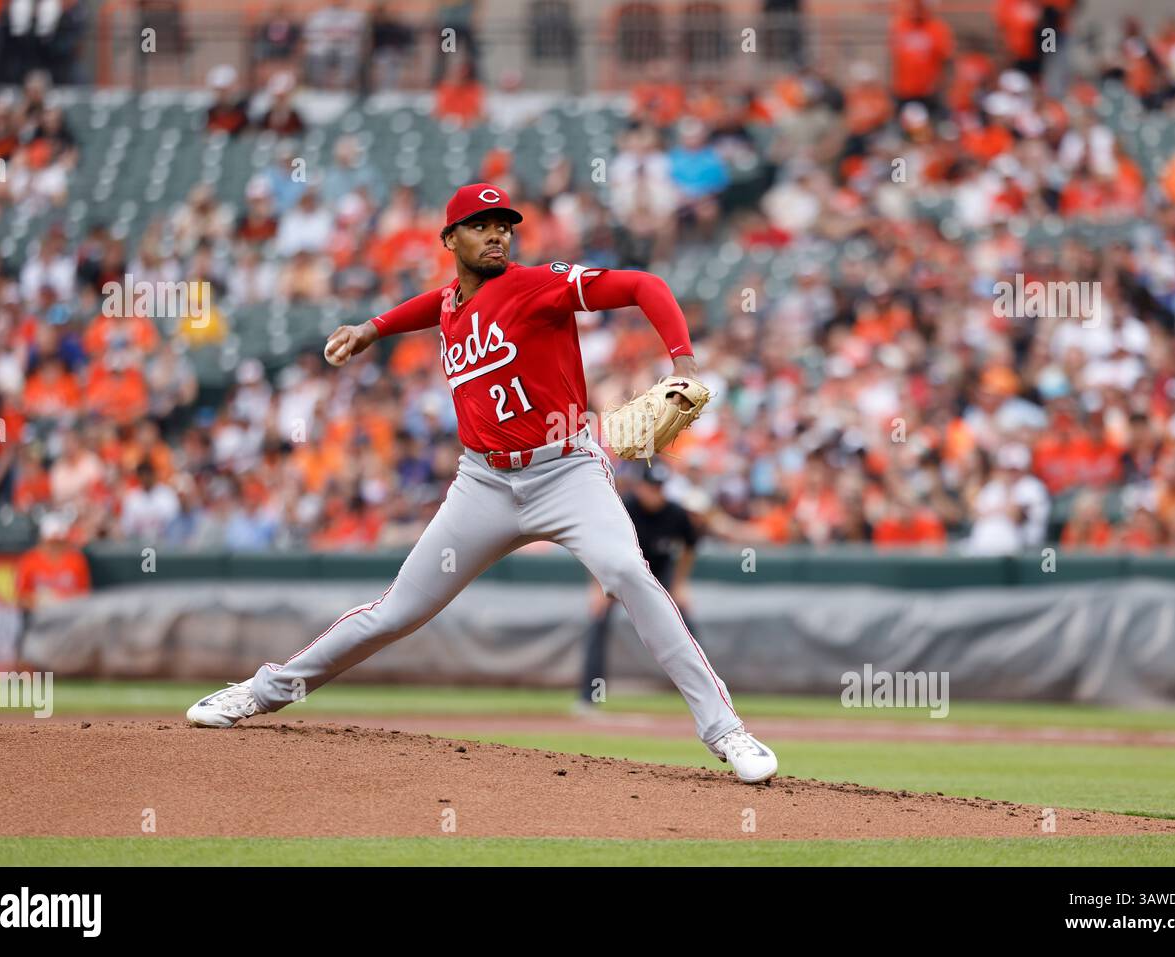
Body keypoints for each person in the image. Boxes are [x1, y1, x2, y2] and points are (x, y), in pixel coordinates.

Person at [186, 182, 779, 784]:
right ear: (450, 239)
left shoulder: (536, 284)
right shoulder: (451, 302)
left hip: (566, 469)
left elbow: (644, 286)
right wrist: (373, 327)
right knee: (396, 612)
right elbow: (438, 304)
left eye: (504, 224)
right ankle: (262, 693)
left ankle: (726, 730)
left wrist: (682, 364)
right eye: (479, 224)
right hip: (483, 484)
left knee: (628, 573)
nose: (496, 233)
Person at [576, 462, 701, 711]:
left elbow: (690, 548)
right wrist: (597, 586)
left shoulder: (675, 513)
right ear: (640, 486)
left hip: (658, 576)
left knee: (687, 626)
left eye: (660, 487)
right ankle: (589, 698)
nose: (656, 493)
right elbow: (595, 546)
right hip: (620, 574)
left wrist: (680, 585)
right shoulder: (624, 508)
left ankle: (701, 698)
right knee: (597, 623)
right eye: (651, 487)